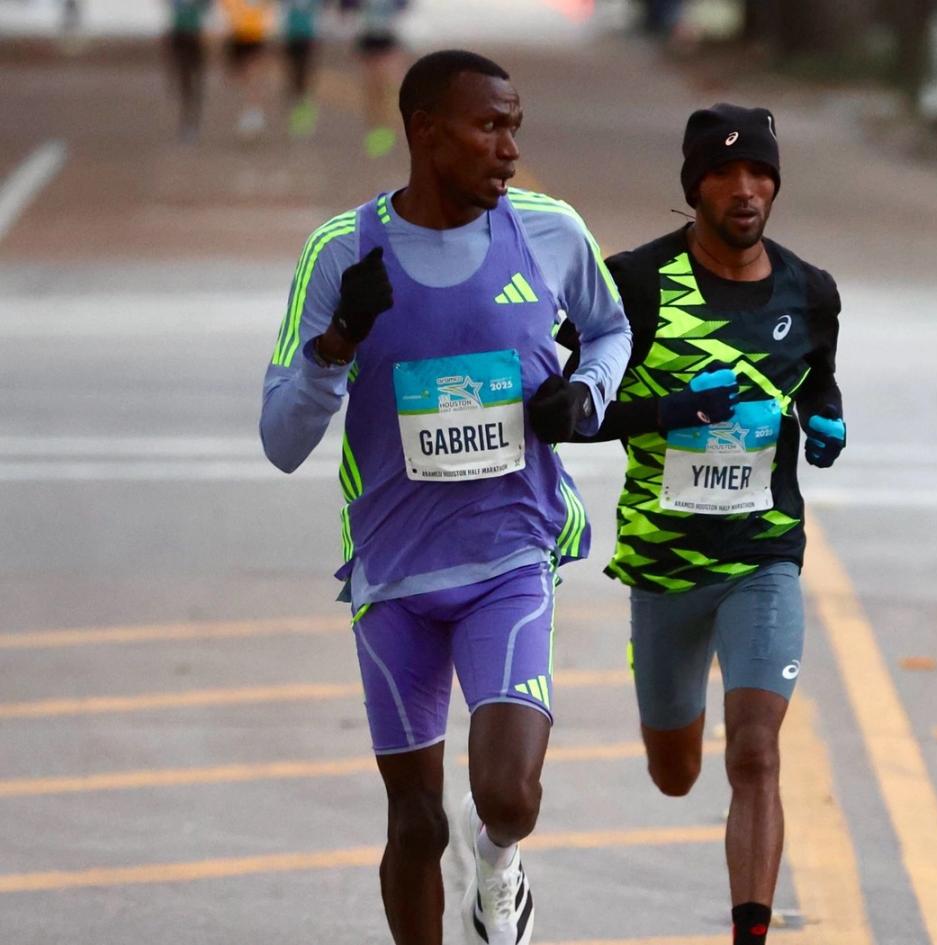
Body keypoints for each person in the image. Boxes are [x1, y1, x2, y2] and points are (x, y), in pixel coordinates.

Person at [258, 49, 632, 945]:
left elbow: (610, 328)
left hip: (512, 552)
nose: (509, 149)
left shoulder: (547, 232)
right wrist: (340, 337)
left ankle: (500, 865)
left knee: (508, 794)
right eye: (489, 127)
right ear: (426, 132)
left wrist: (586, 392)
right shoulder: (342, 252)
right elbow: (280, 440)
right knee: (415, 821)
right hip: (393, 574)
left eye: (514, 127)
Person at [559, 103, 843, 945]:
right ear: (694, 187)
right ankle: (662, 685)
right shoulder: (633, 284)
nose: (745, 189)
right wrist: (672, 409)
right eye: (723, 173)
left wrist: (825, 420)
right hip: (662, 560)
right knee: (676, 771)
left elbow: (816, 384)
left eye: (759, 172)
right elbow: (569, 412)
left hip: (763, 557)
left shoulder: (810, 291)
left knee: (755, 749)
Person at [354, 0, 408, 158]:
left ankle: (386, 128)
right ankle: (375, 128)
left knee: (388, 86)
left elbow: (403, 8)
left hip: (387, 39)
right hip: (368, 40)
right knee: (371, 88)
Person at [220, 0, 278, 140]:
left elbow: (270, 9)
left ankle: (254, 110)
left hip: (255, 36)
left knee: (253, 74)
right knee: (239, 76)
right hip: (239, 36)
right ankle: (253, 109)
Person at [166, 0, 211, 141]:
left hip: (194, 36)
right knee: (185, 81)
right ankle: (187, 122)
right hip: (180, 36)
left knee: (195, 82)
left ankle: (191, 123)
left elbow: (206, 8)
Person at [282, 0, 323, 139]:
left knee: (306, 75)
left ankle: (305, 111)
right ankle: (296, 111)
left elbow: (319, 16)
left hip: (308, 37)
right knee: (293, 76)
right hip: (291, 36)